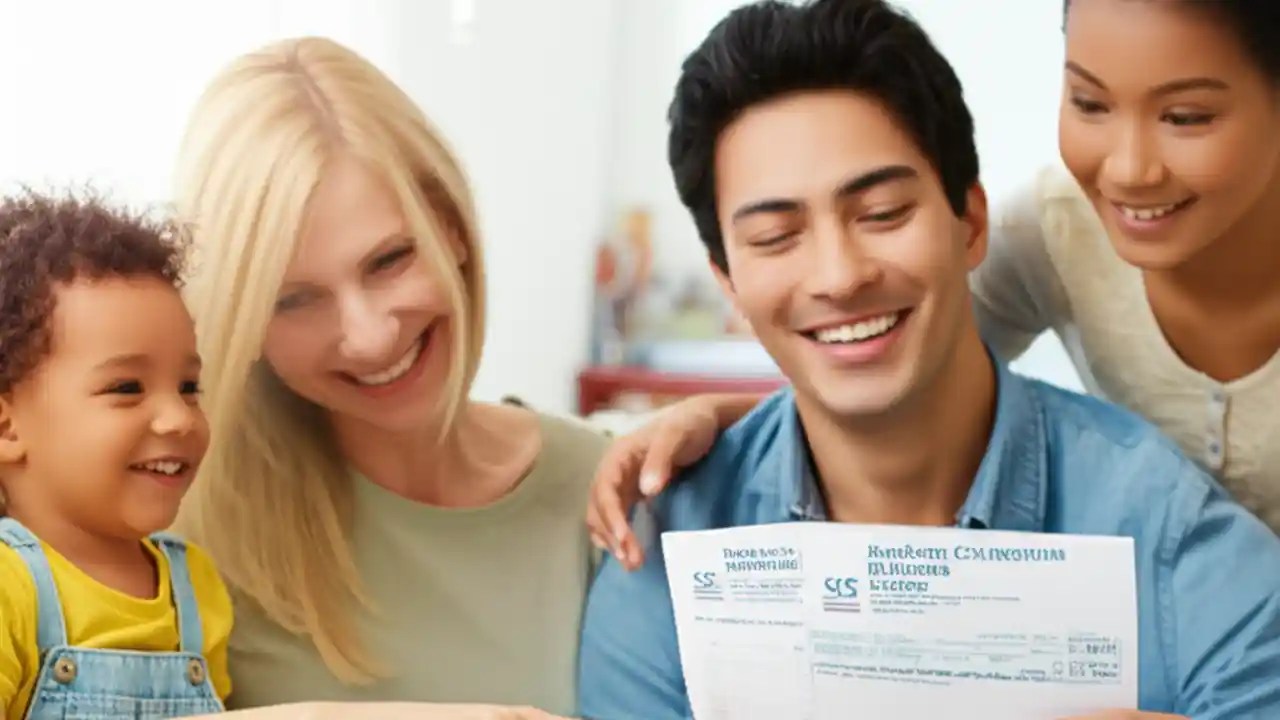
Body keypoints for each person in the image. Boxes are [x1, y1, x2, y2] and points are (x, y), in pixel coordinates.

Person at [575, 1, 1280, 718]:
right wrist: (720, 419)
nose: (839, 276)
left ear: (970, 223)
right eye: (776, 237)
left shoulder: (1175, 539)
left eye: (882, 214)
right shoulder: (671, 543)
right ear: (727, 279)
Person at [168, 37, 603, 719]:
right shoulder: (177, 530)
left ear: (451, 227)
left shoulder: (606, 487)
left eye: (390, 260)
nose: (369, 336)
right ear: (242, 322)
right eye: (295, 299)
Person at [0, 191, 230, 718]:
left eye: (189, 387)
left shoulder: (196, 586)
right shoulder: (9, 587)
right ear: (7, 427)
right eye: (127, 387)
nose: (178, 417)